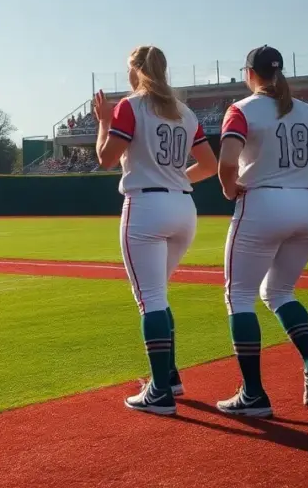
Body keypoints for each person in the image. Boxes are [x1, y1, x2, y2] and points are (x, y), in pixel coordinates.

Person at [217, 45, 308, 417]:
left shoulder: (241, 109)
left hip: (262, 202)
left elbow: (227, 161)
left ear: (249, 73)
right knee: (279, 291)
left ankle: (253, 394)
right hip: (306, 207)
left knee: (240, 297)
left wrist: (229, 190)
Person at [92, 46, 218, 416]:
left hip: (146, 206)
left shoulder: (130, 107)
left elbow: (106, 159)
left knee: (150, 298)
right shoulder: (185, 111)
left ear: (135, 70)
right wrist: (175, 179)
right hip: (183, 207)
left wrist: (103, 119)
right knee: (158, 295)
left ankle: (160, 391)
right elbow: (208, 166)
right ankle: (171, 377)